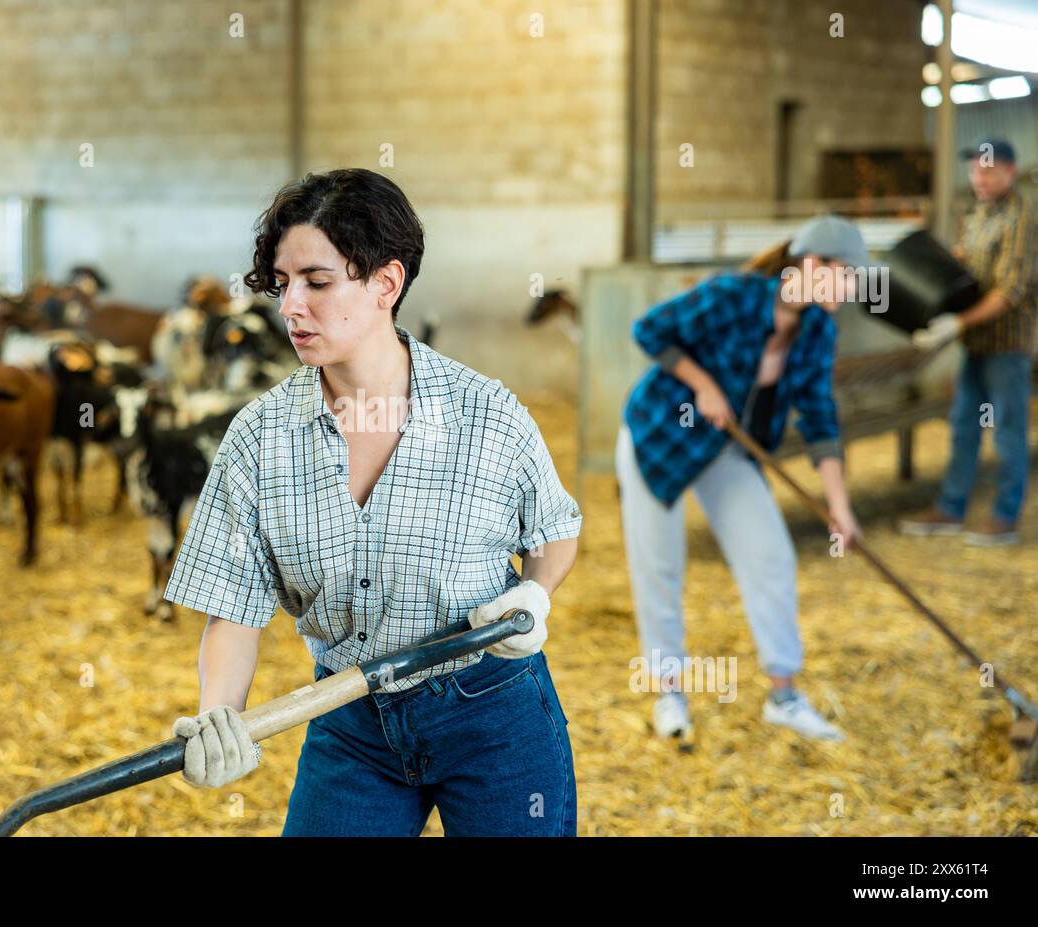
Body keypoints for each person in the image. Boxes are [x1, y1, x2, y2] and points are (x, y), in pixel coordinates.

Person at [162, 168, 582, 836]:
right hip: (351, 719)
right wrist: (220, 713)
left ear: (386, 283)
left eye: (317, 282)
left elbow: (554, 528)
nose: (290, 307)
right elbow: (236, 610)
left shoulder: (486, 413)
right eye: (283, 283)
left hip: (492, 711)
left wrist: (535, 592)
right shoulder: (258, 439)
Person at [616, 215, 869, 743]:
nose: (854, 288)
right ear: (813, 265)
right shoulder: (734, 296)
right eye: (848, 275)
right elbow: (649, 329)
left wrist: (840, 508)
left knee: (770, 554)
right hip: (659, 439)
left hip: (728, 450)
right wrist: (703, 384)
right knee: (660, 566)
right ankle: (670, 694)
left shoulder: (818, 329)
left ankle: (784, 695)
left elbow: (820, 416)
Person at [899, 138, 1037, 547]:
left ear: (1009, 172)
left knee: (1008, 429)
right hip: (975, 345)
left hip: (1007, 347)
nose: (980, 176)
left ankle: (1005, 515)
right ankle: (951, 507)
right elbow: (968, 272)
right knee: (964, 426)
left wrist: (955, 323)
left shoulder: (1021, 219)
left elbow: (1009, 292)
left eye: (989, 170)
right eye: (976, 169)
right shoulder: (976, 215)